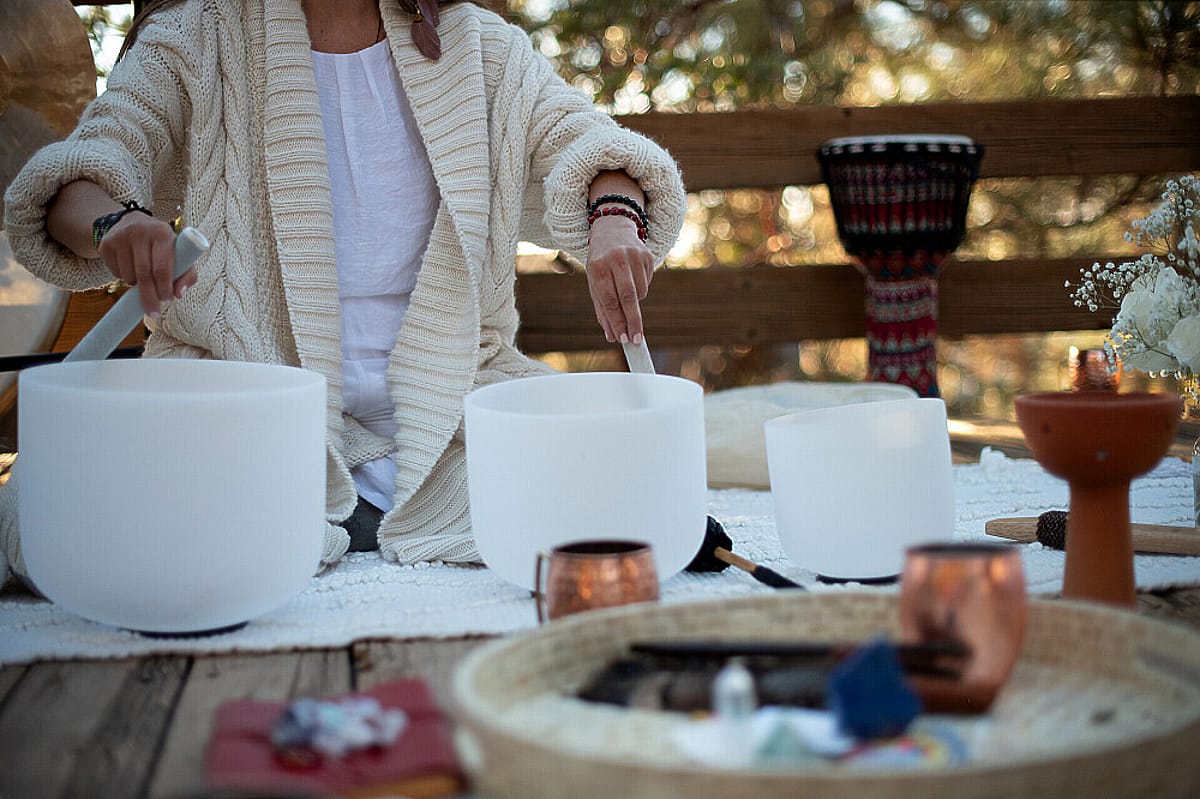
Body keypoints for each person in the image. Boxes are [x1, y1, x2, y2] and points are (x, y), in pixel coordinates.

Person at [0, 0, 686, 584]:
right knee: (62, 519)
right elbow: (78, 178)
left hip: (451, 433)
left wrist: (613, 219)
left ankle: (359, 514)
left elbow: (595, 147)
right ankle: (323, 512)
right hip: (243, 419)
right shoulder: (196, 38)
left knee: (633, 492)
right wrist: (118, 224)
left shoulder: (482, 47)